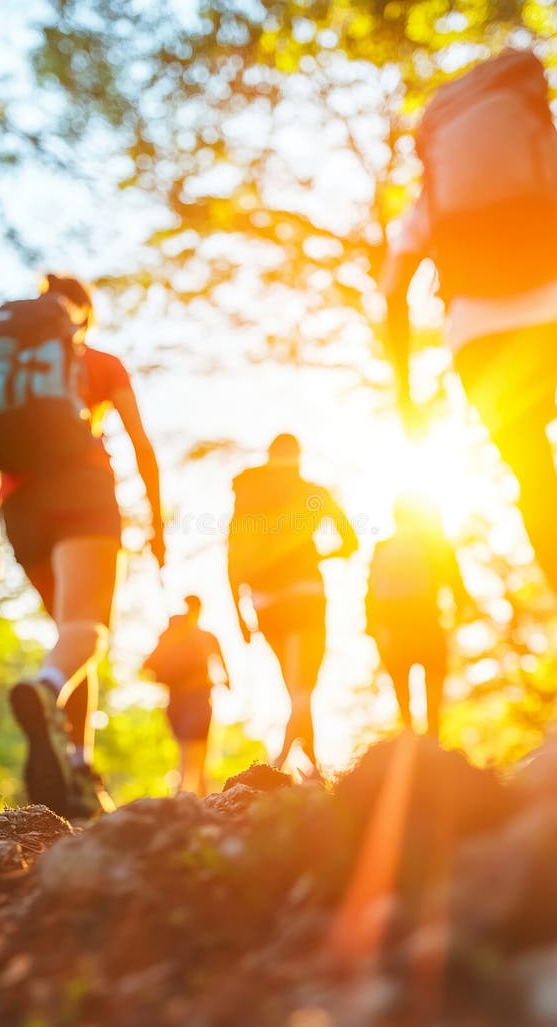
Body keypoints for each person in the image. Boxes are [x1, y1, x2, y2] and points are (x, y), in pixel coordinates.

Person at [0, 274, 165, 818]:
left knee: (69, 635)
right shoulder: (99, 363)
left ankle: (75, 768)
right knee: (88, 633)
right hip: (81, 491)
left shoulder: (5, 366)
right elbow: (141, 443)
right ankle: (43, 689)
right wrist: (157, 521)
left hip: (20, 510)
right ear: (81, 316)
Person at [382, 49, 557, 597]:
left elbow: (394, 292)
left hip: (479, 339)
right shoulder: (540, 145)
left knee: (533, 475)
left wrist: (406, 396)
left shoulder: (430, 198)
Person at [228, 433, 358, 769]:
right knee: (303, 685)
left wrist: (238, 611)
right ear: (298, 457)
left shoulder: (249, 493)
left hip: (264, 601)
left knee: (295, 684)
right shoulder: (313, 493)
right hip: (305, 592)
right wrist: (323, 556)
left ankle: (309, 762)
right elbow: (350, 541)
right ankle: (282, 760)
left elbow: (234, 550)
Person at [366, 492, 469, 737]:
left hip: (392, 629)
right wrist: (457, 618)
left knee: (402, 694)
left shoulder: (382, 547)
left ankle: (410, 737)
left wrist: (373, 629)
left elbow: (369, 594)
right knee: (434, 690)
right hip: (427, 623)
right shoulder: (436, 546)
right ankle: (432, 738)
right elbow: (458, 589)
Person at [143, 595, 229, 797]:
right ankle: (187, 794)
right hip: (197, 696)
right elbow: (222, 663)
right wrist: (227, 682)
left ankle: (194, 794)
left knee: (188, 748)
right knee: (196, 749)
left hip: (177, 698)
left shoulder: (172, 634)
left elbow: (150, 662)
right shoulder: (204, 636)